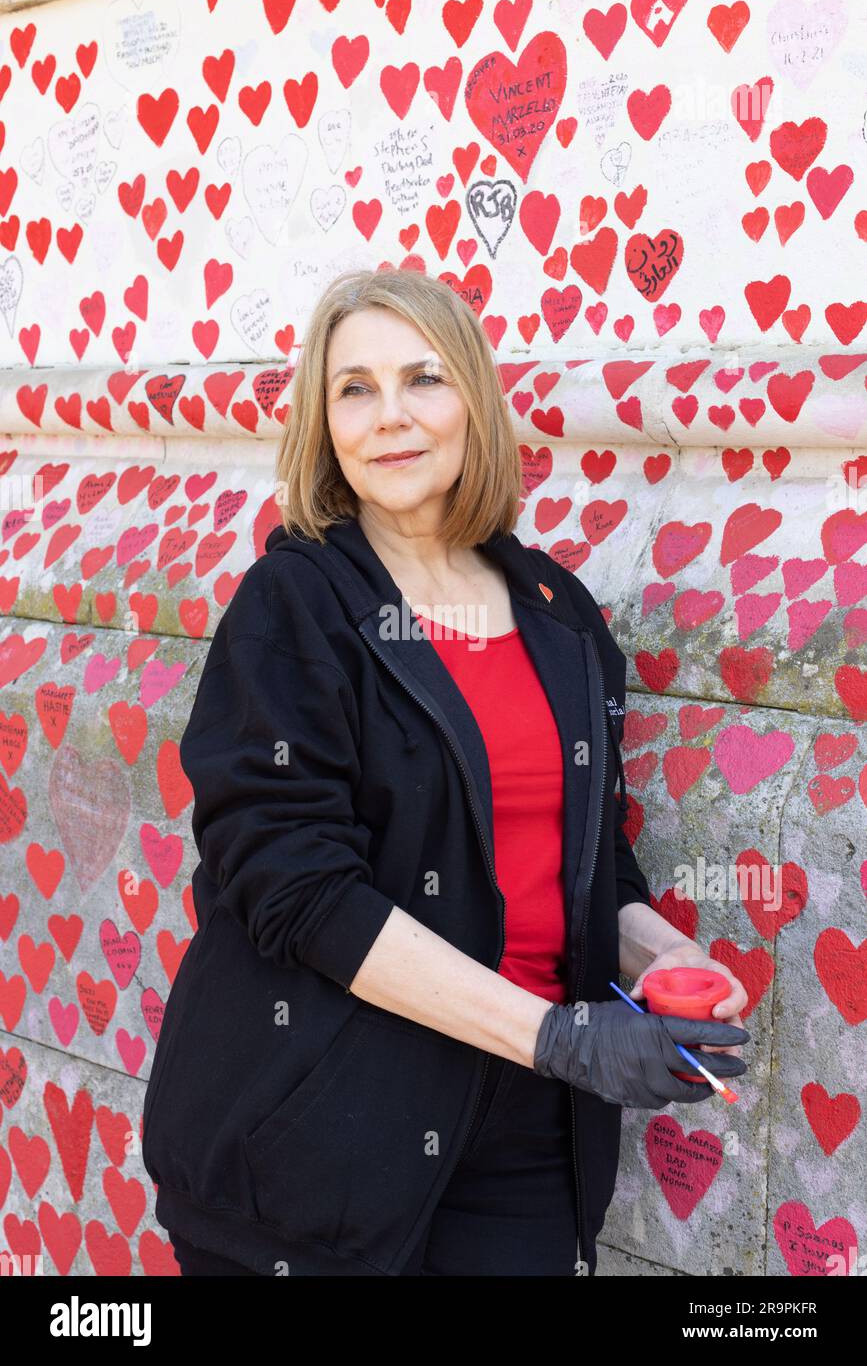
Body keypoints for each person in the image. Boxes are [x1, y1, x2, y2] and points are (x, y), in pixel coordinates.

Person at [142, 267, 750, 1278]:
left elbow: (587, 861)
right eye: (354, 389)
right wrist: (565, 1037)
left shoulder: (558, 610)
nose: (390, 417)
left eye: (423, 378)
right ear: (322, 421)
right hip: (318, 1138)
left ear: (472, 396)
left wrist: (662, 961)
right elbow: (299, 893)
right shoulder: (295, 604)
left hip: (522, 1139)